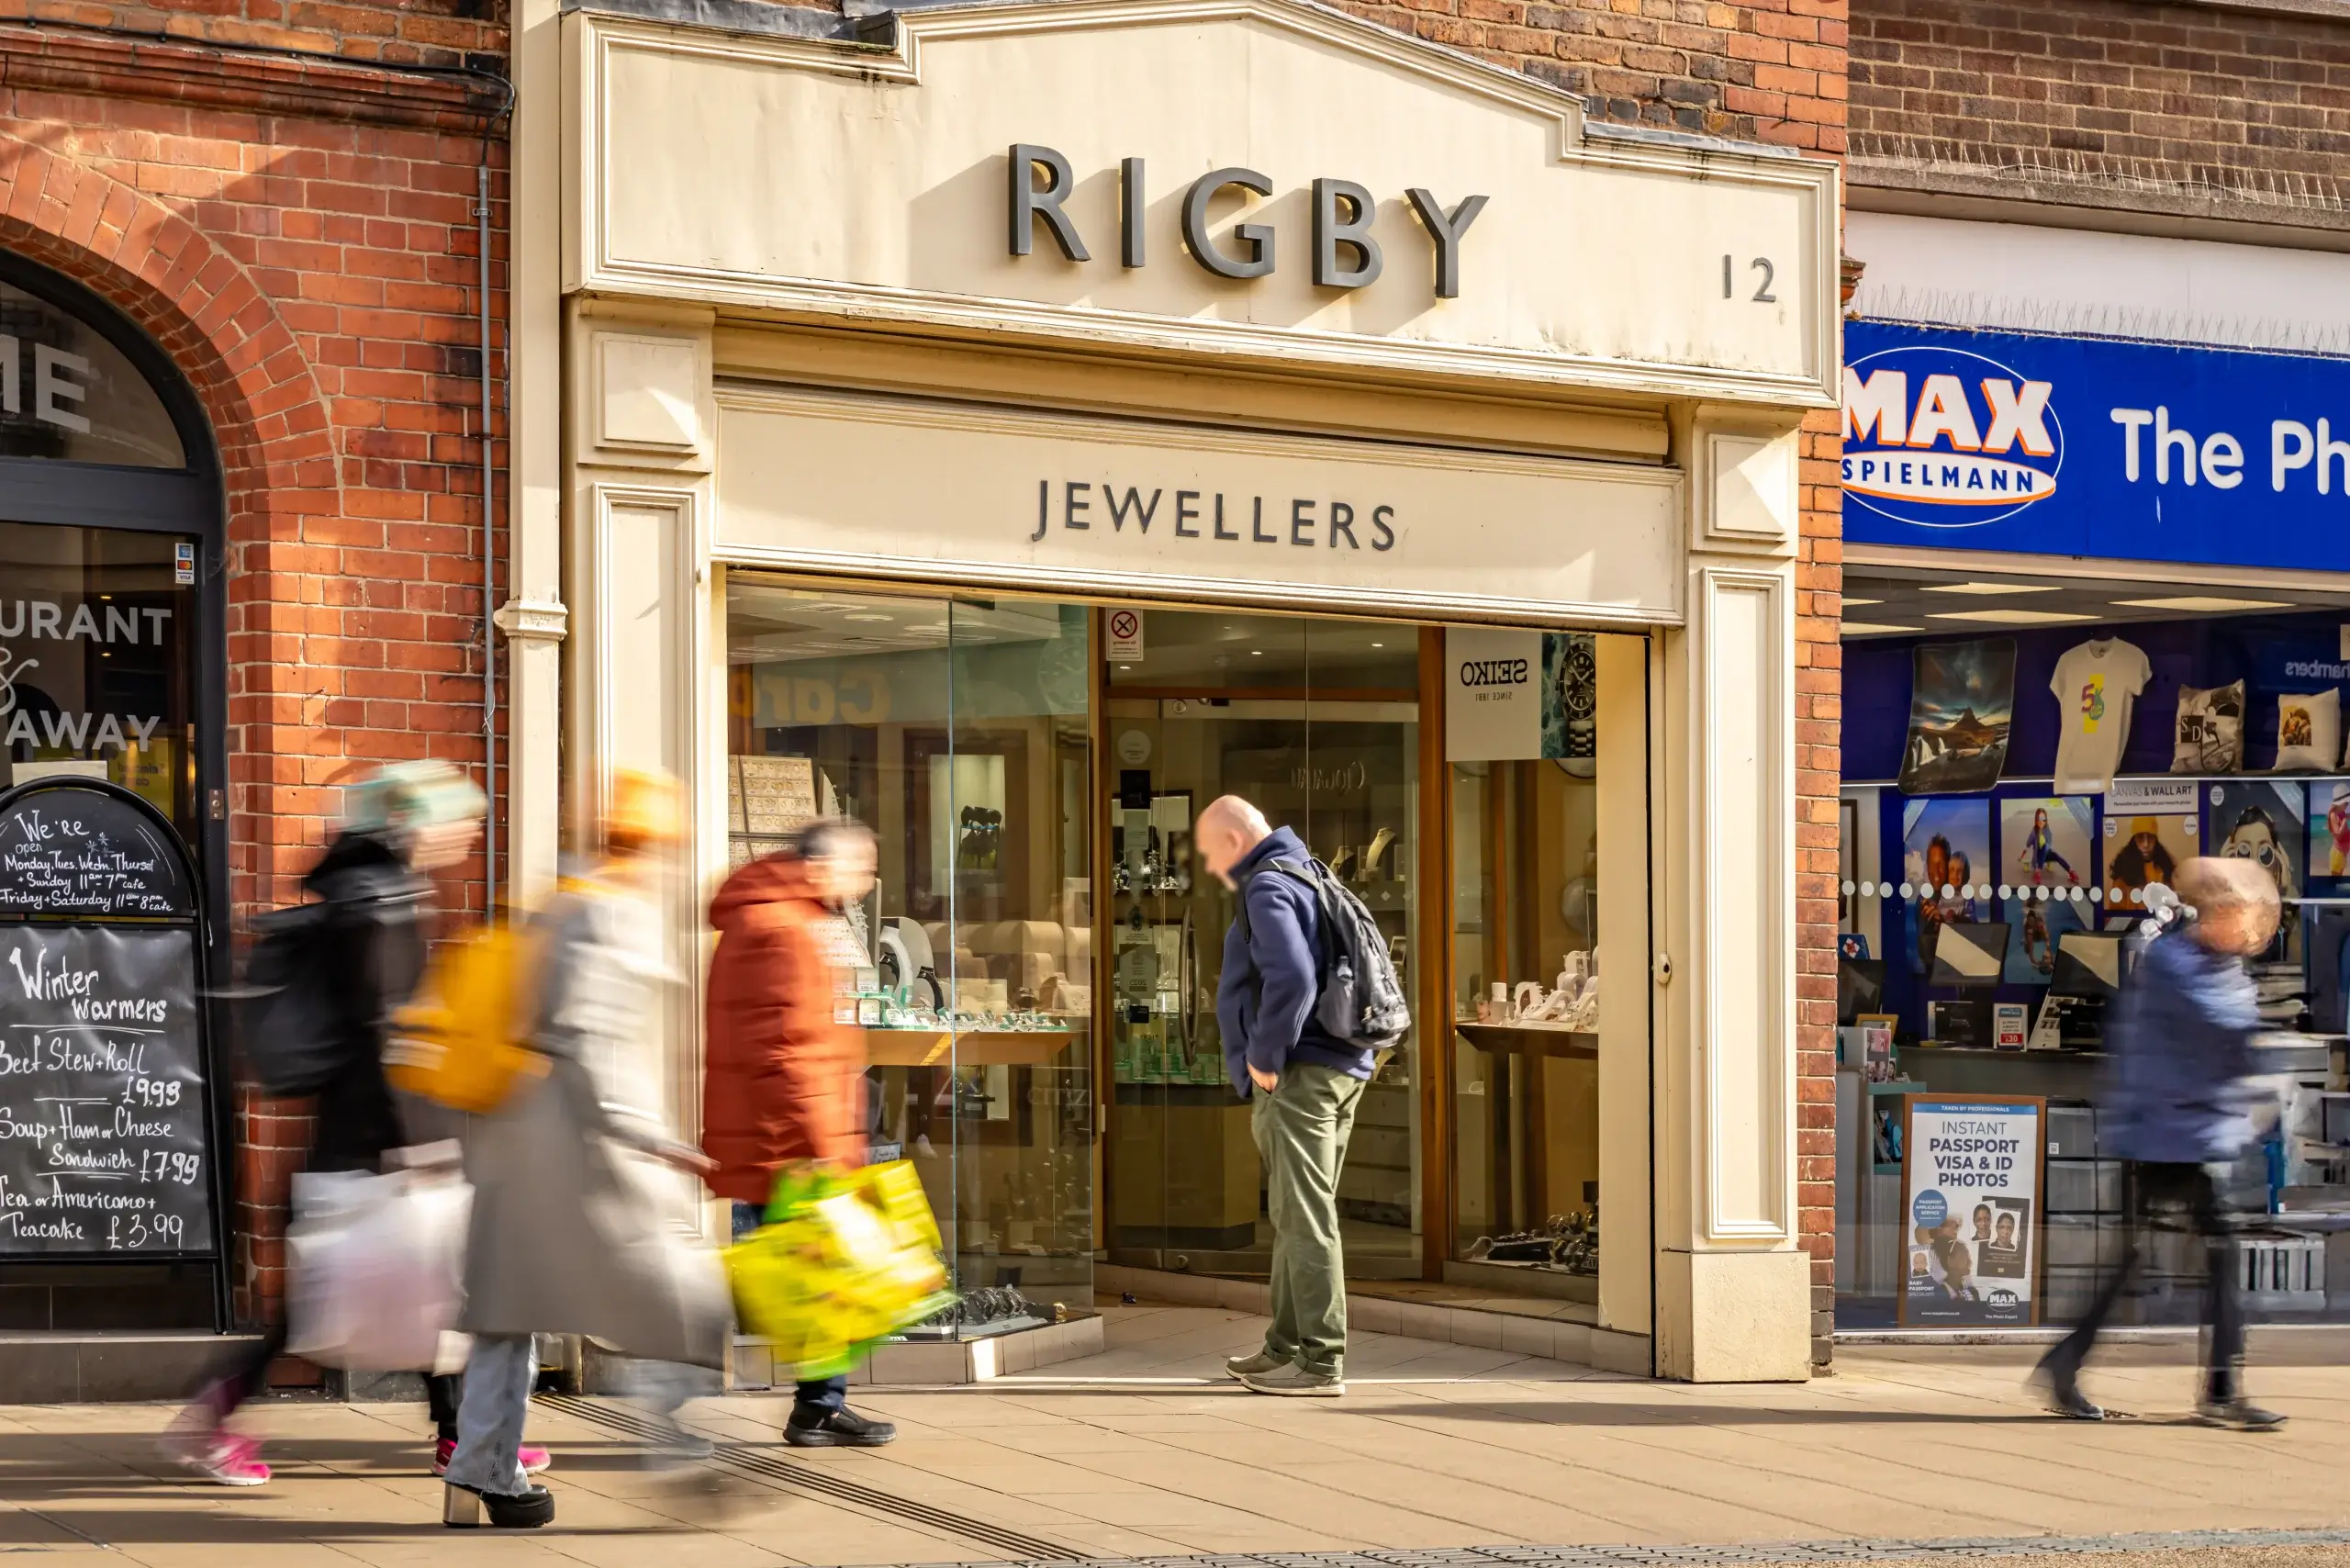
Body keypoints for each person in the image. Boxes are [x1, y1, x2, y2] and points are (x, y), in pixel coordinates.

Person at [162, 762, 543, 1487]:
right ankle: (215, 1418)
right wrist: (418, 1145)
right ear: (414, 822)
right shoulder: (380, 902)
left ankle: (457, 1436)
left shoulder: (375, 891)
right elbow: (383, 1036)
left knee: (425, 1291)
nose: (469, 831)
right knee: (333, 1306)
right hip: (367, 1142)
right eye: (459, 818)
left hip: (356, 1136)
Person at [441, 769, 729, 1529]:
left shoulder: (554, 907)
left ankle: (480, 1472)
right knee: (673, 1298)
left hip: (514, 1133)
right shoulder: (611, 917)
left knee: (510, 1313)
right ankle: (678, 1455)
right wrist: (653, 1139)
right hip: (580, 1149)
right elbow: (590, 1042)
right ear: (652, 846)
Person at [2033, 857, 2285, 1431]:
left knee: (2139, 1258)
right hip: (2166, 1137)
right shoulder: (2175, 962)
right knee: (2212, 1256)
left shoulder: (2203, 960)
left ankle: (2067, 1363)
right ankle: (2220, 1391)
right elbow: (2223, 1024)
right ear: (2218, 915)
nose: (2248, 933)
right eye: (2241, 918)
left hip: (2182, 1135)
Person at [701, 816, 898, 1449]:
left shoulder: (779, 916)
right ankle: (813, 1405)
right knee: (823, 1275)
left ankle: (819, 1403)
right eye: (861, 867)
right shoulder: (785, 929)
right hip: (790, 1141)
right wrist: (823, 1147)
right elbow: (789, 1051)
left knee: (820, 1278)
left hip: (776, 1133)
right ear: (821, 866)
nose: (867, 881)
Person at [1197, 794, 1372, 1397]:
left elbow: (1293, 977)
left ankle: (1321, 1361)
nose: (1208, 867)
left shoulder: (1267, 886)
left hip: (1302, 1072)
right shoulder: (1308, 869)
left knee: (1305, 1215)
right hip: (1341, 1066)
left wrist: (1265, 1058)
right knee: (1296, 1211)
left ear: (1230, 841)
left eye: (1207, 851)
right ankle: (1285, 1347)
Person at [2018, 807, 2078, 885]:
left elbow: (2049, 844)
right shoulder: (2034, 832)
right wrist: (2021, 857)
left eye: (2043, 819)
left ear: (2046, 820)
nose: (2041, 822)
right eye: (2039, 819)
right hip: (2038, 858)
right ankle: (2037, 872)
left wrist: (2050, 851)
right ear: (2036, 820)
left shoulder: (2047, 830)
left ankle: (2071, 872)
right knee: (2042, 847)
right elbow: (2027, 846)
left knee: (2055, 855)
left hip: (2047, 854)